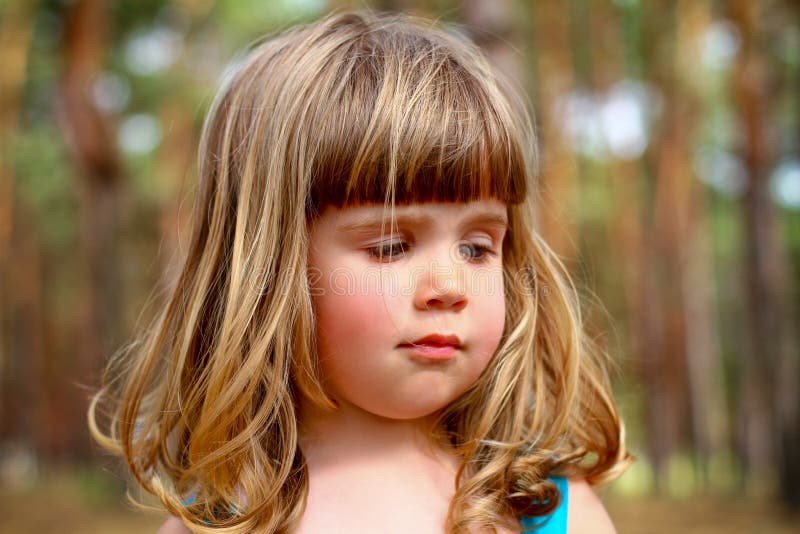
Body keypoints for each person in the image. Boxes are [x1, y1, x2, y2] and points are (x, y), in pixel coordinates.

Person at [89, 10, 632, 534]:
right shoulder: (218, 527)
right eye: (392, 245)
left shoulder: (548, 511)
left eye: (476, 247)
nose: (450, 288)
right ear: (268, 267)